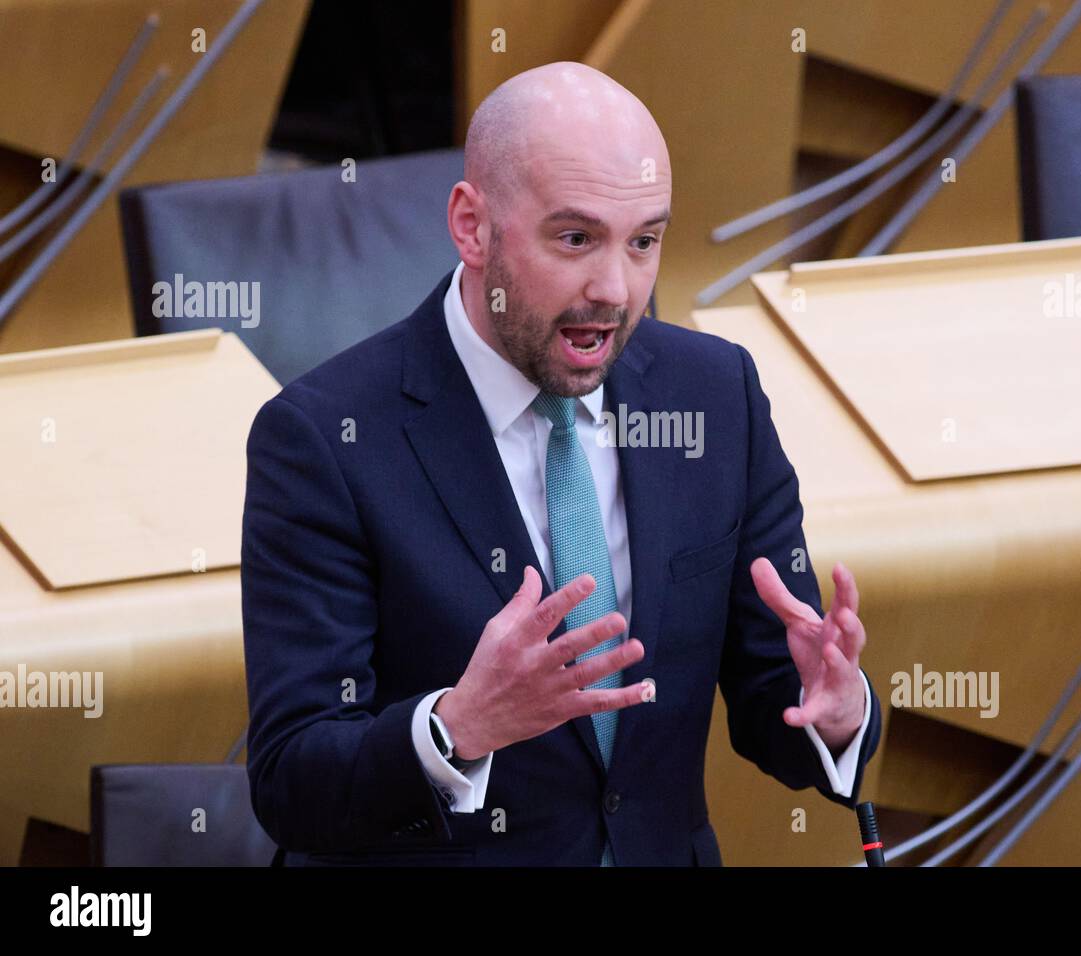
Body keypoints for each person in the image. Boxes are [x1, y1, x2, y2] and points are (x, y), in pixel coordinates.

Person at [241, 61, 881, 866]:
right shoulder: (321, 440)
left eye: (644, 242)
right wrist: (458, 726)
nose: (614, 288)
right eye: (575, 239)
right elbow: (293, 782)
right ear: (473, 227)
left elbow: (772, 697)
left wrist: (833, 711)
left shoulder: (718, 398)